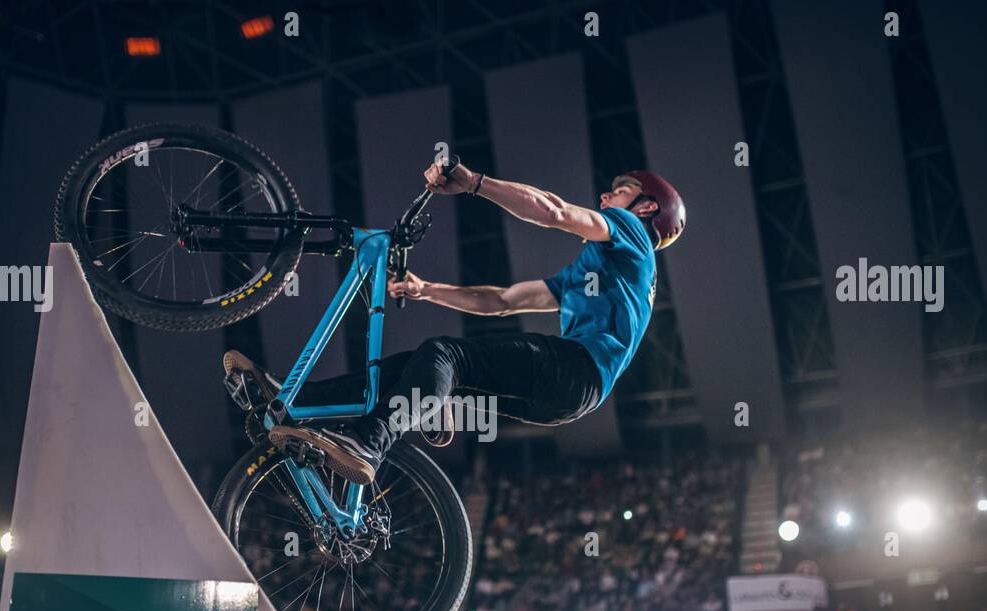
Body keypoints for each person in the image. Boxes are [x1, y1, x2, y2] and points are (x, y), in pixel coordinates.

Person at [262, 162, 685, 484]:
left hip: (575, 369)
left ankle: (369, 442)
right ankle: (301, 401)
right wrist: (427, 289)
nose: (605, 196)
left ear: (645, 207)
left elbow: (554, 211)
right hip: (567, 398)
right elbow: (500, 301)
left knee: (446, 356)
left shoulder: (631, 231)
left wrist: (473, 183)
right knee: (415, 367)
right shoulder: (597, 270)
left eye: (620, 191)